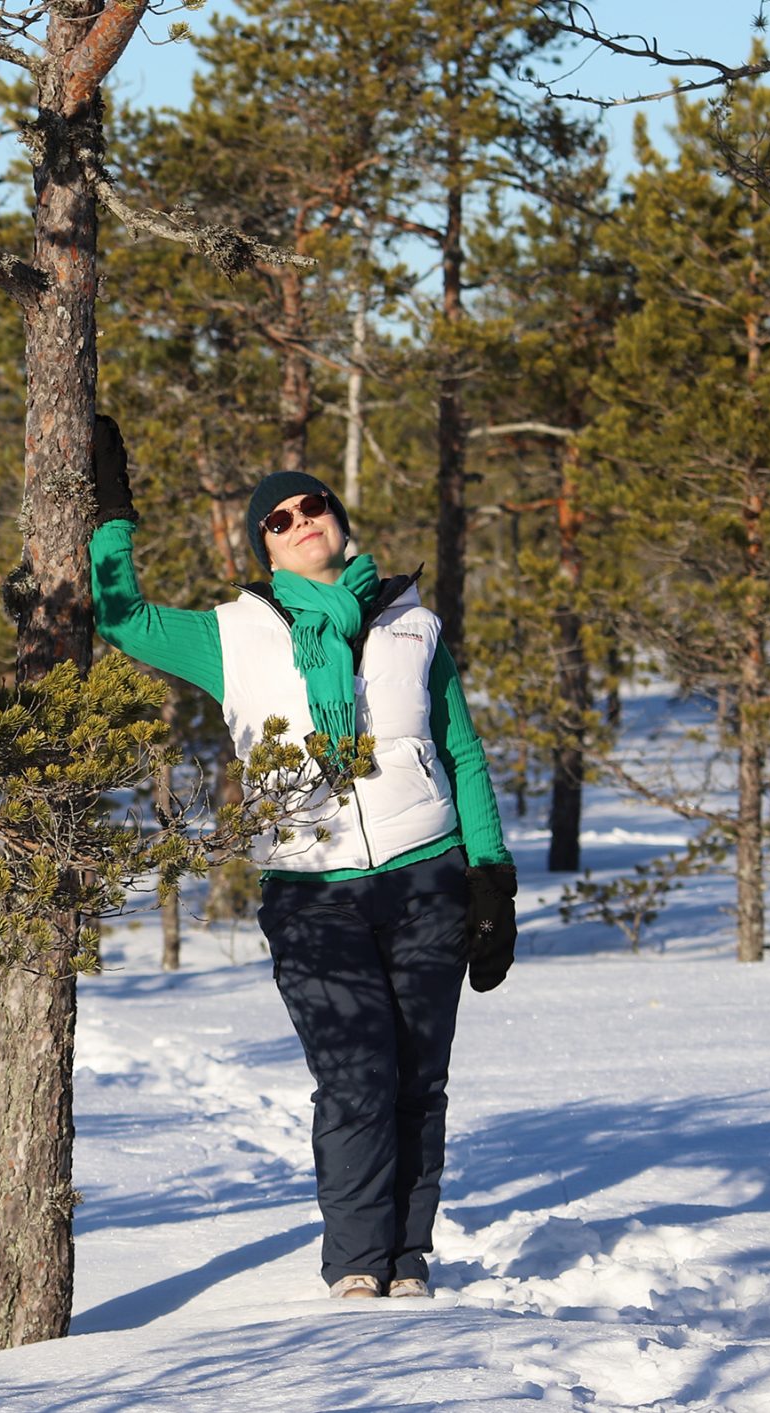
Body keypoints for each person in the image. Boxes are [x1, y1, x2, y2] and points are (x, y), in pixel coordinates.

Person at [84, 415, 518, 1301]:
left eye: (312, 505)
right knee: (354, 1076)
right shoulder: (232, 633)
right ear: (267, 548)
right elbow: (120, 617)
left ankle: (408, 1257)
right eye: (277, 519)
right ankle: (357, 1261)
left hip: (428, 874)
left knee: (418, 1077)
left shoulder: (411, 622)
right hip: (312, 892)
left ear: (339, 517)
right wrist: (113, 516)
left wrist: (491, 877)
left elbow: (462, 751)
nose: (300, 520)